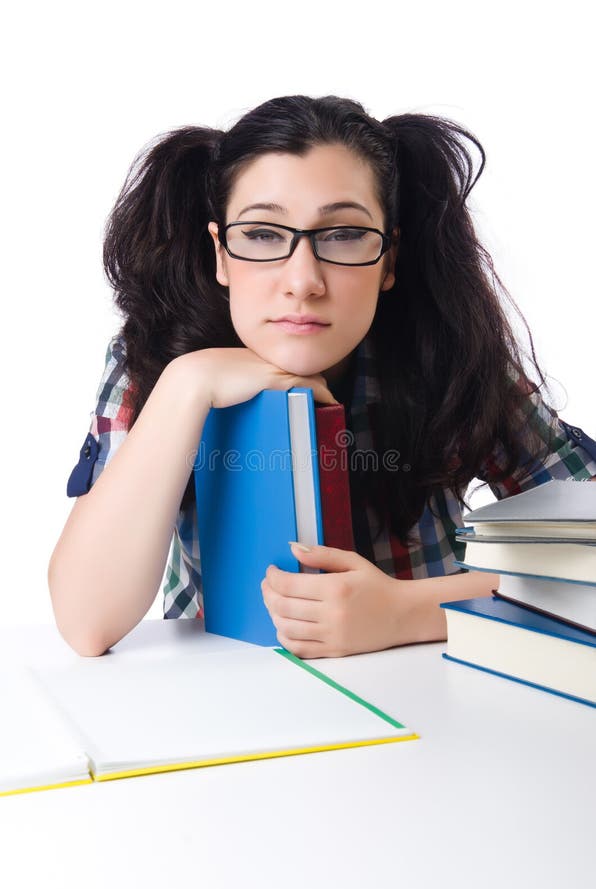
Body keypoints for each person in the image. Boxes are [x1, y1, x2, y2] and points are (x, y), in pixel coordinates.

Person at [48, 94, 596, 659]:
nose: (303, 280)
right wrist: (189, 384)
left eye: (343, 235)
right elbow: (88, 623)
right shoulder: (157, 360)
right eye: (262, 234)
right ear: (220, 253)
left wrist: (406, 612)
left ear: (388, 259)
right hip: (221, 699)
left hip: (425, 692)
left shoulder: (448, 352)